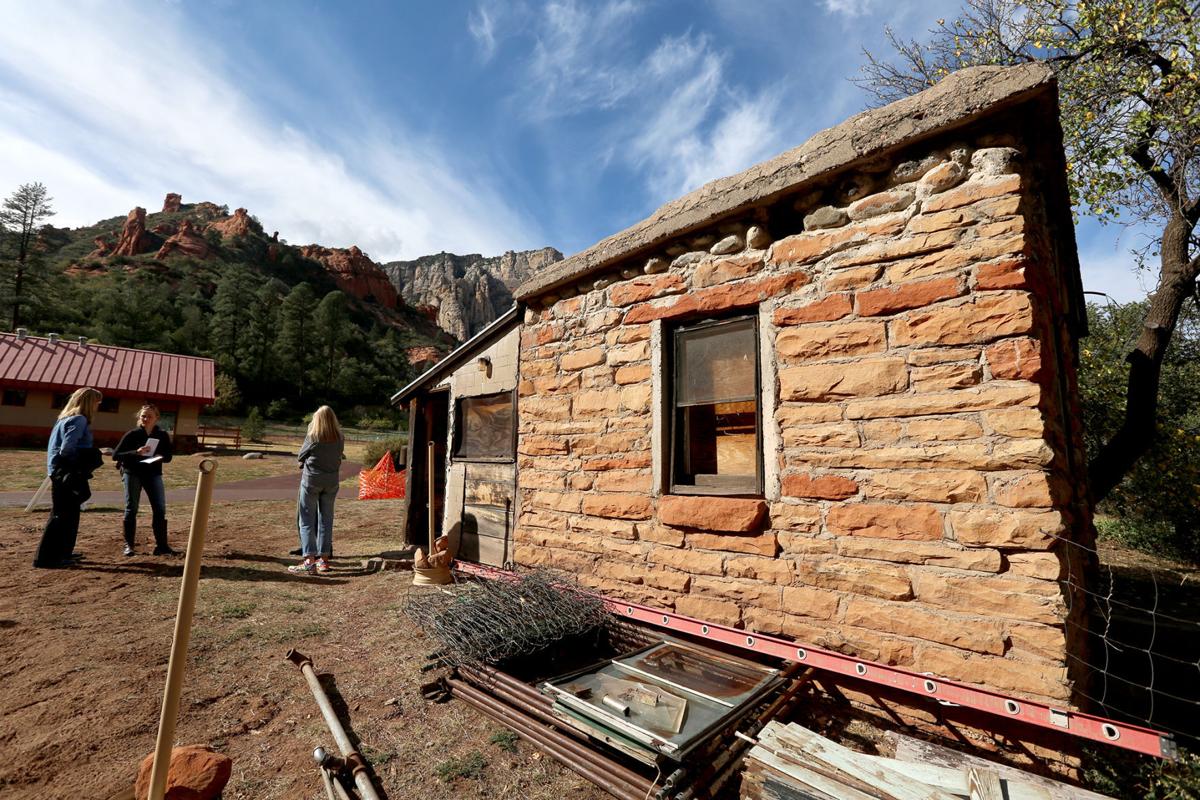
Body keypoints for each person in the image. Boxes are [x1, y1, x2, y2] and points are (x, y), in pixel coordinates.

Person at [34, 387, 104, 569]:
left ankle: (63, 552)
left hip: (58, 470)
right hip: (66, 471)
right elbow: (67, 448)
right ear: (89, 402)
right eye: (97, 402)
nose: (98, 406)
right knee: (62, 514)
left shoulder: (64, 419)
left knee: (69, 513)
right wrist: (83, 461)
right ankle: (47, 558)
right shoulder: (79, 419)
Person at [113, 403, 175, 556]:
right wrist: (136, 452)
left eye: (149, 416)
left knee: (160, 509)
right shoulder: (132, 434)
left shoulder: (162, 435)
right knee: (131, 508)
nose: (146, 419)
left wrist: (157, 457)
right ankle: (129, 545)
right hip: (132, 473)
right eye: (143, 416)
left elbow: (168, 457)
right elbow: (116, 455)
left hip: (153, 474)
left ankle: (161, 546)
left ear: (156, 418)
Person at [289, 406, 344, 575]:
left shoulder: (313, 436)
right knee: (326, 521)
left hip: (312, 481)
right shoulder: (340, 437)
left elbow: (300, 455)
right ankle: (324, 561)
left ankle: (309, 561)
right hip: (332, 482)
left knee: (306, 520)